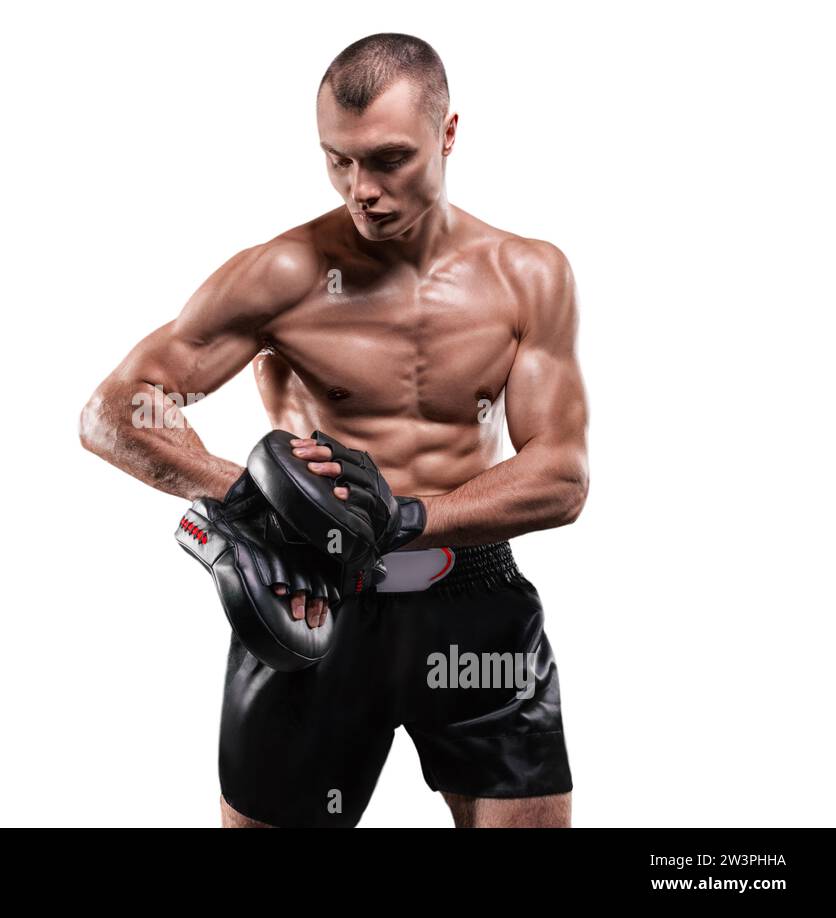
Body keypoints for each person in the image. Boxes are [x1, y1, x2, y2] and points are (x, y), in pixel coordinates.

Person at [80, 33, 588, 828]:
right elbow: (116, 408)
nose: (363, 191)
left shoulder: (527, 275)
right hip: (313, 603)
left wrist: (406, 517)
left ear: (448, 133)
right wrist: (258, 499)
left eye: (389, 160)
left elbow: (561, 473)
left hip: (471, 601)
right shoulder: (285, 274)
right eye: (338, 161)